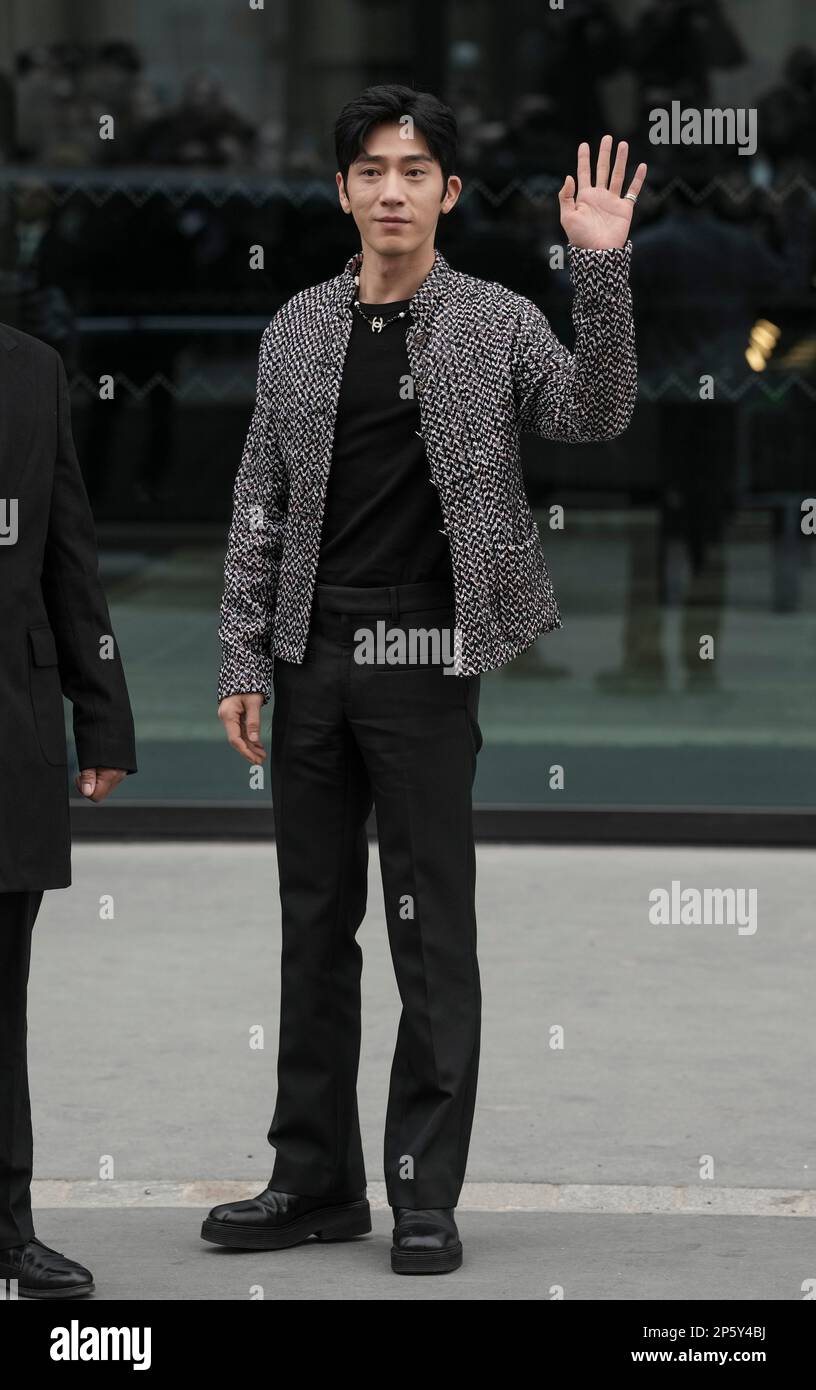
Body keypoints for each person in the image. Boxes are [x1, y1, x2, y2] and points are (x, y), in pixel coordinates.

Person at [205, 83, 643, 1275]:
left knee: (430, 932)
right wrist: (244, 651)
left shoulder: (495, 321)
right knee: (313, 927)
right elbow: (260, 502)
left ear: (449, 192)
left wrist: (597, 270)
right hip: (311, 651)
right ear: (343, 189)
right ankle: (312, 1181)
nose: (391, 190)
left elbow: (596, 413)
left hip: (427, 652)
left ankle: (423, 1191)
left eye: (414, 171)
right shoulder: (295, 327)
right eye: (370, 171)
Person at [0, 328, 137, 1298]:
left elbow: (67, 557)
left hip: (8, 737)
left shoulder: (33, 372)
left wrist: (104, 718)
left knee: (0, 1006)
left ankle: (6, 1230)